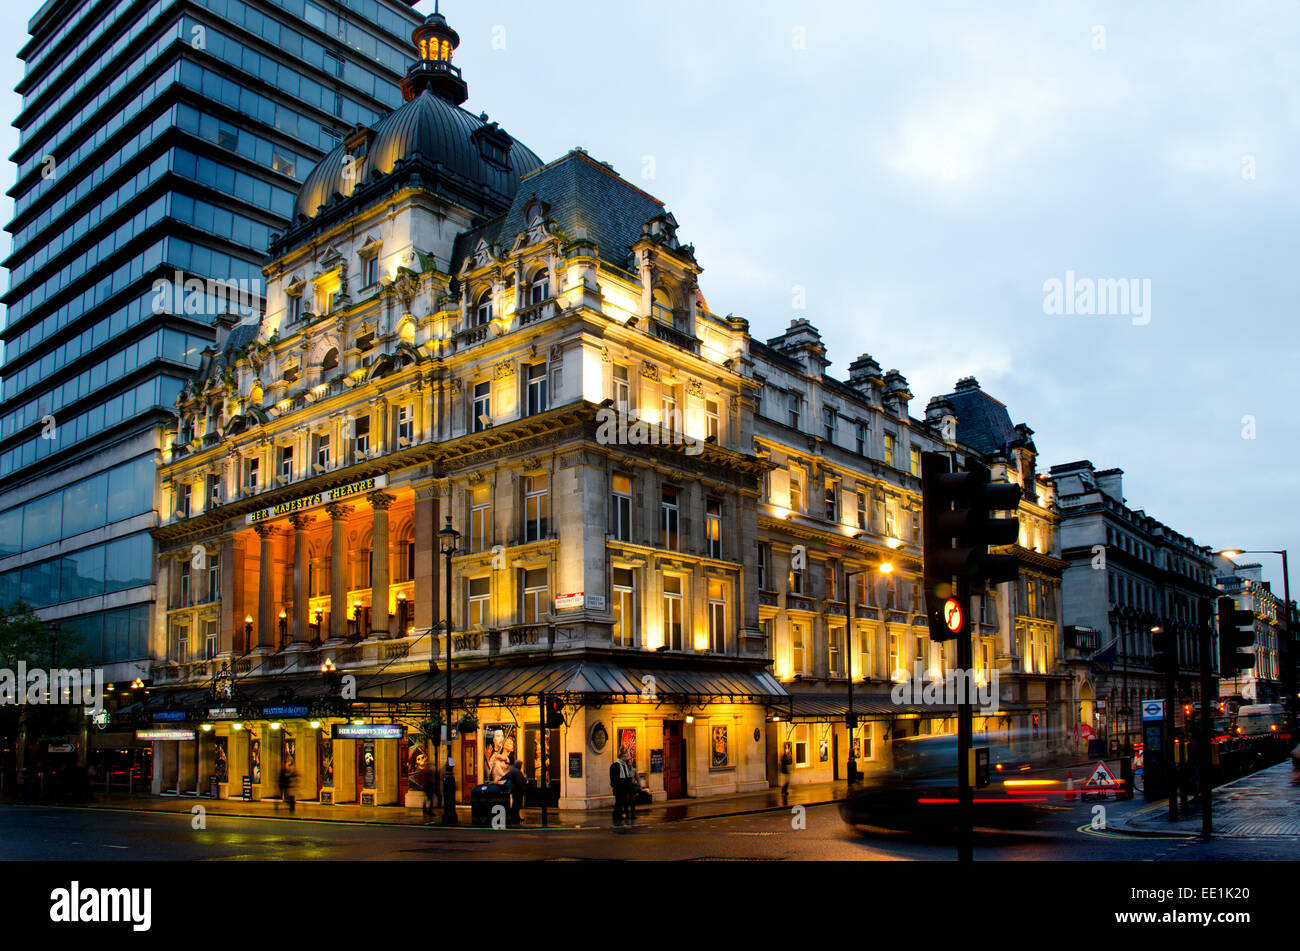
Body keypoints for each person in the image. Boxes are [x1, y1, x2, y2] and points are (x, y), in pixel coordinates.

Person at [609, 751, 633, 826]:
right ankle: (616, 816)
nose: (627, 758)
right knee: (618, 802)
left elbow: (627, 776)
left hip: (625, 787)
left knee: (623, 802)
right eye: (625, 756)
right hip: (619, 787)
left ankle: (621, 815)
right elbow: (613, 778)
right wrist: (616, 785)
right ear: (622, 757)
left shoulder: (625, 765)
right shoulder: (615, 765)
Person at [501, 758, 525, 825]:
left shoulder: (513, 770)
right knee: (517, 804)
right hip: (517, 790)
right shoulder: (516, 771)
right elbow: (519, 782)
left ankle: (516, 816)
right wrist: (523, 789)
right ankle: (515, 817)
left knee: (516, 803)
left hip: (515, 790)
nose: (521, 766)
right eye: (520, 765)